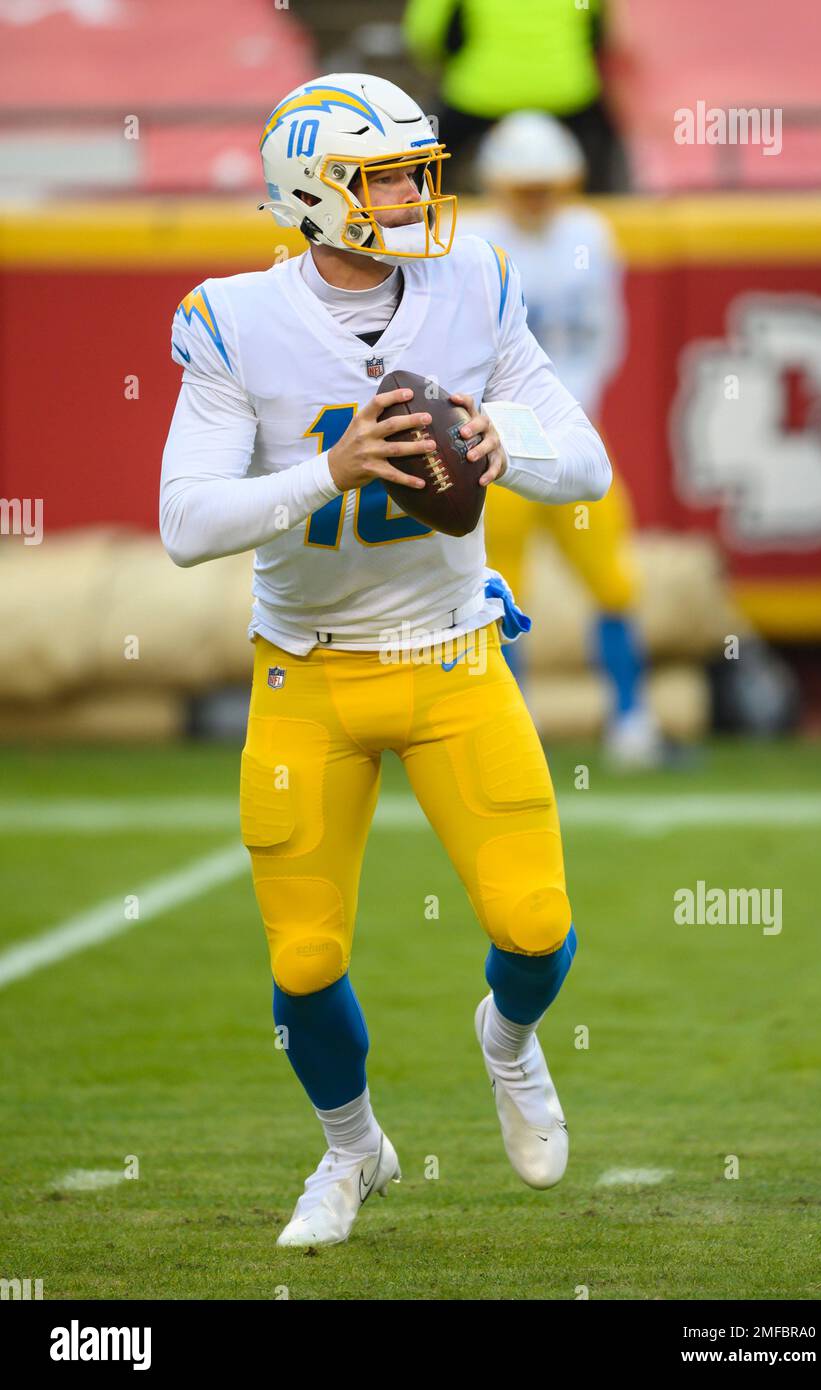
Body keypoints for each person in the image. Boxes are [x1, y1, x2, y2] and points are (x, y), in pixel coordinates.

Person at [159, 74, 612, 1249]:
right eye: (385, 176)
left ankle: (505, 1041)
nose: (414, 193)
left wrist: (503, 443)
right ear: (315, 193)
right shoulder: (233, 317)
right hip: (302, 671)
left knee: (536, 925)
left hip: (455, 653)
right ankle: (352, 1150)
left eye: (417, 170)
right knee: (304, 959)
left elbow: (588, 461)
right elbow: (186, 523)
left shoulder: (476, 284)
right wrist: (332, 468)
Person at [461, 110, 662, 767]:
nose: (536, 197)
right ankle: (511, 732)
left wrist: (569, 410)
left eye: (545, 183)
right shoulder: (470, 240)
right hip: (499, 442)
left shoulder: (589, 234)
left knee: (612, 579)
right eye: (526, 184)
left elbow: (605, 336)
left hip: (575, 433)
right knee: (498, 589)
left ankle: (632, 721)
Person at [403, 0, 629, 192]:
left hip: (478, 93)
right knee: (602, 157)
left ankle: (416, 222)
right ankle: (603, 211)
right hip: (566, 93)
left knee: (423, 152)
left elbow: (426, 35)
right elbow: (601, 31)